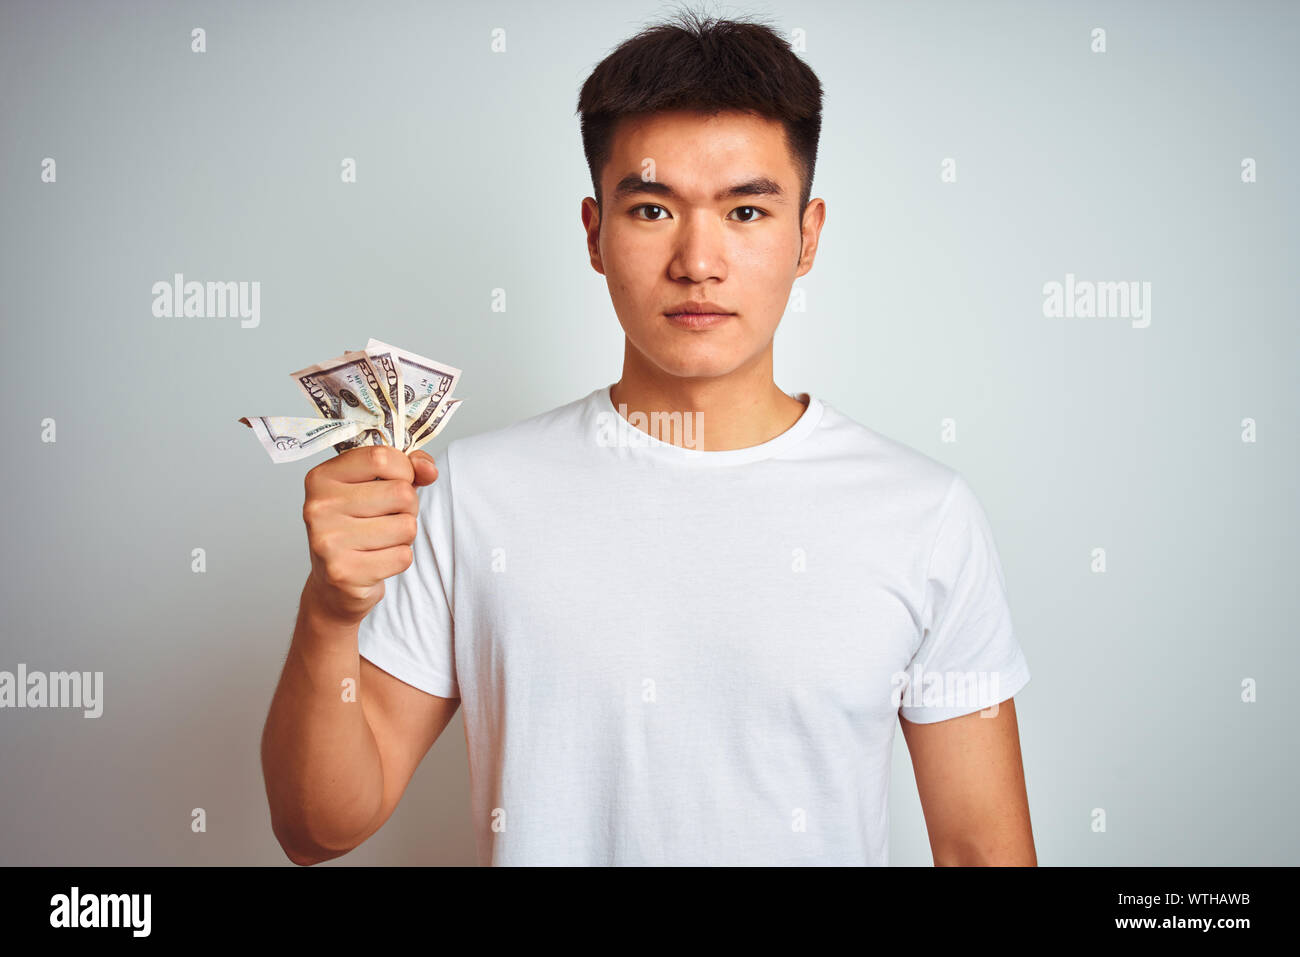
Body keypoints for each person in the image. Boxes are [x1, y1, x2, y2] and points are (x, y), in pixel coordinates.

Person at [261, 10, 1035, 866]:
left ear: (807, 236)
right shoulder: (470, 494)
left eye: (746, 210)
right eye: (654, 207)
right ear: (594, 233)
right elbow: (318, 827)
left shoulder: (924, 515)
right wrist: (330, 613)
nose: (698, 260)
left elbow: (981, 851)